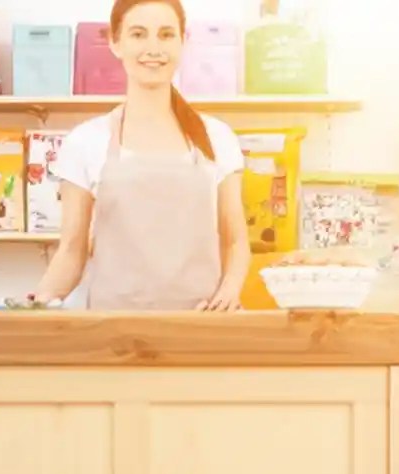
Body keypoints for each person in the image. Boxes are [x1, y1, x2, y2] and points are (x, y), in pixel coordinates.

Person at [34, 0, 249, 311]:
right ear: (115, 42)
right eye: (138, 34)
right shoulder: (86, 141)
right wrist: (36, 303)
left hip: (201, 327)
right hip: (112, 333)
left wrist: (229, 292)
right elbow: (71, 251)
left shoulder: (217, 138)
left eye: (165, 35)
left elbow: (235, 240)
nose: (153, 48)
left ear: (183, 42)